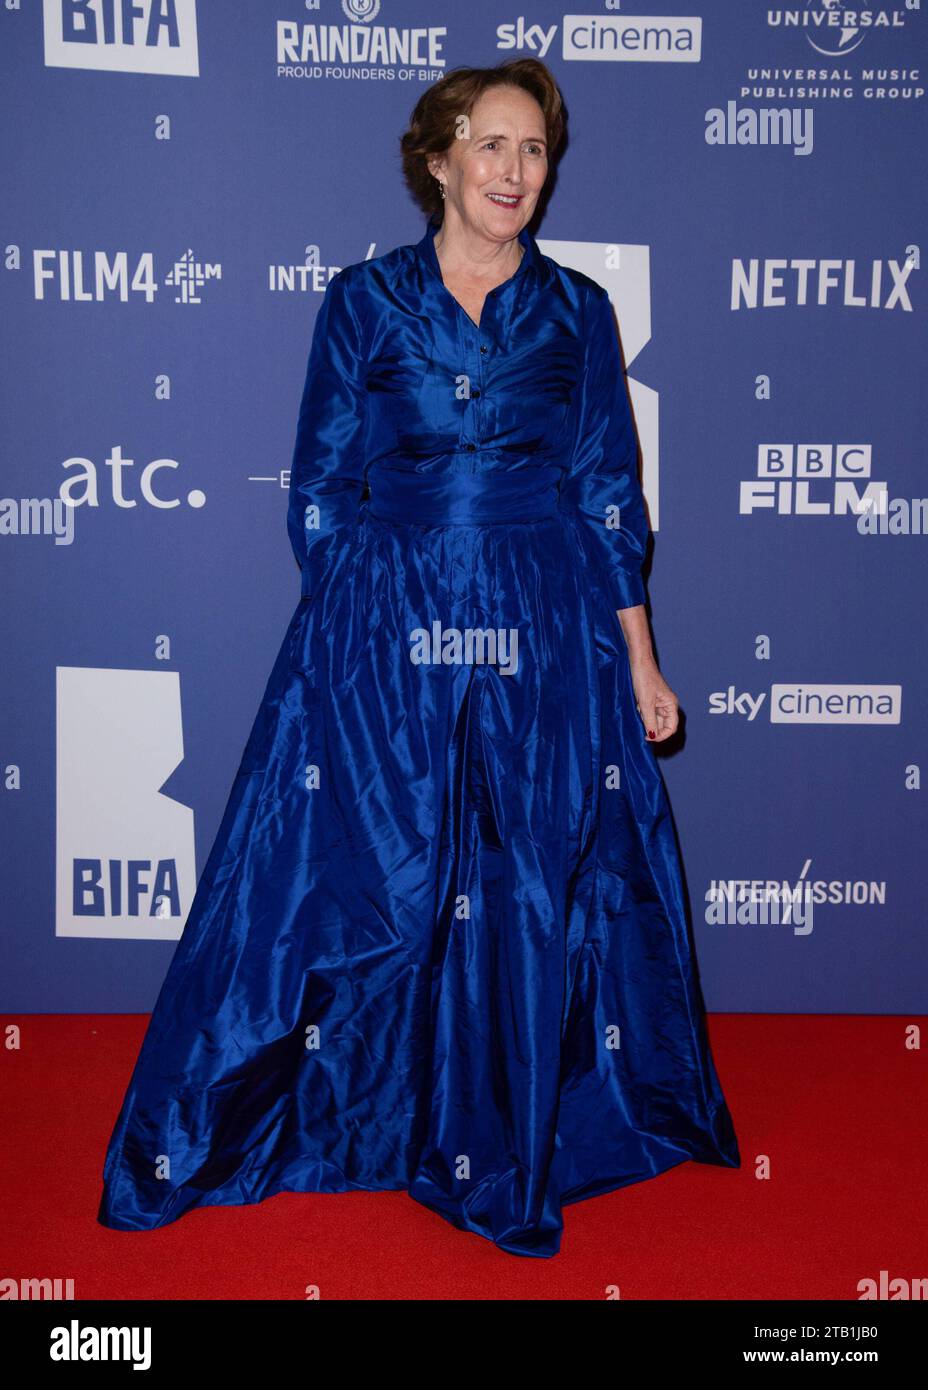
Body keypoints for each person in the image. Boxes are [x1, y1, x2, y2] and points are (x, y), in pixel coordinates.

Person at [98, 57, 739, 1259]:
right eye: (490, 144)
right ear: (437, 159)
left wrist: (642, 664)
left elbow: (607, 494)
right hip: (383, 628)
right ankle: (351, 1122)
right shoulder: (364, 302)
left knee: (522, 878)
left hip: (543, 630)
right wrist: (348, 635)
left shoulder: (578, 312)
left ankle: (498, 1133)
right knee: (362, 888)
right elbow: (321, 489)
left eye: (534, 150)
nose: (514, 171)